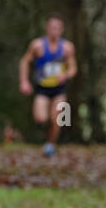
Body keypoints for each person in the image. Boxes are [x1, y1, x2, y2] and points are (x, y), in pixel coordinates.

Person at [18, 14, 77, 157]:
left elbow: (73, 68)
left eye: (57, 28)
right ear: (47, 28)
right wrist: (24, 81)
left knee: (58, 118)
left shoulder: (67, 47)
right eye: (51, 28)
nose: (54, 31)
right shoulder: (37, 45)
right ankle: (44, 133)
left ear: (61, 30)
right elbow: (24, 61)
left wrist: (65, 75)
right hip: (42, 89)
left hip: (59, 89)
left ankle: (50, 145)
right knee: (41, 118)